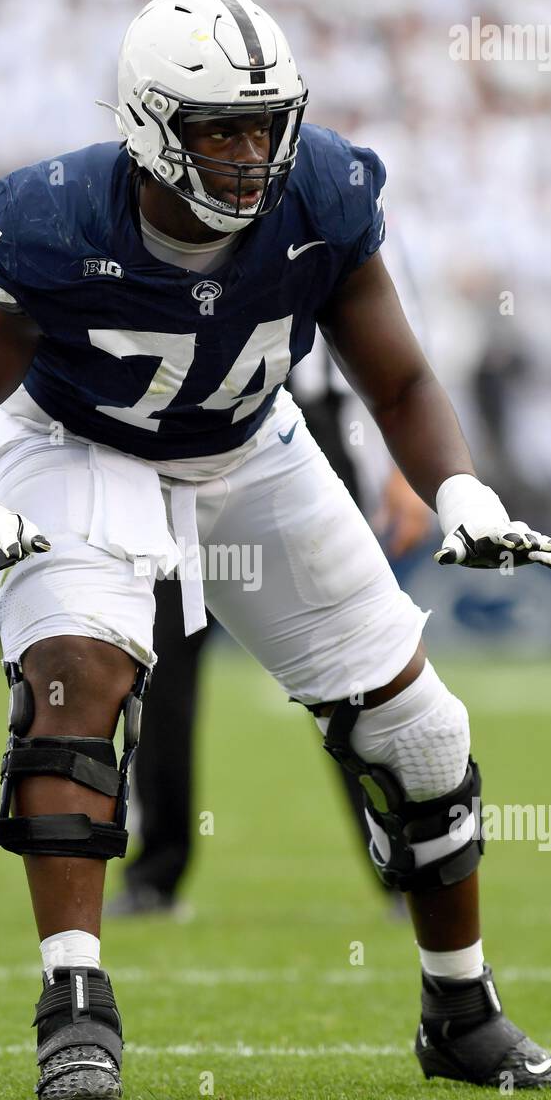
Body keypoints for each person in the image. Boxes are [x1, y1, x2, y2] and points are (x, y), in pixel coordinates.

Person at [0, 0, 551, 1100]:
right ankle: (75, 1005)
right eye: (220, 130)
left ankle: (462, 1014)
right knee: (74, 683)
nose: (251, 155)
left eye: (265, 126)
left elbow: (399, 378)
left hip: (249, 445)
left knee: (421, 733)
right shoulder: (54, 218)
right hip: (78, 442)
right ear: (150, 124)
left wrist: (458, 489)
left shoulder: (322, 193)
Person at [109, 336, 431, 920]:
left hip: (301, 433)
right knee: (160, 663)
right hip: (179, 431)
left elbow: (395, 340)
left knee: (350, 663)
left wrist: (404, 467)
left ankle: (405, 869)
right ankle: (156, 873)